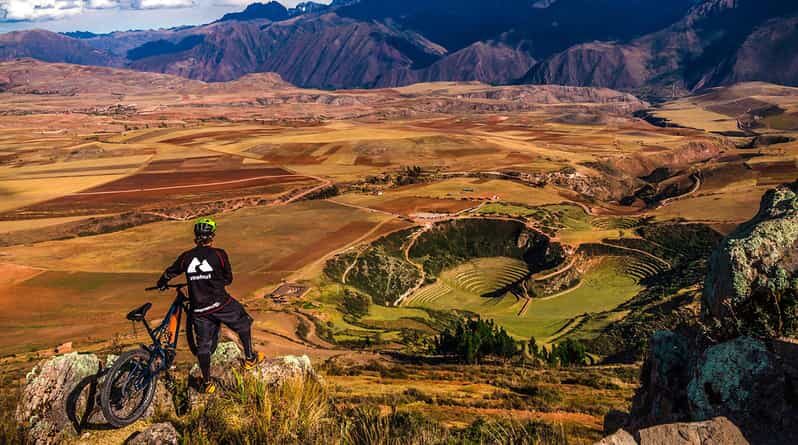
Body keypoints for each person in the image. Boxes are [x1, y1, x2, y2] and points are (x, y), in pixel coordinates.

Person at [156, 217, 264, 394]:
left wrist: (162, 282)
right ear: (212, 236)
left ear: (195, 237)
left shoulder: (186, 257)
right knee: (243, 322)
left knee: (203, 347)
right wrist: (214, 281)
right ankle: (250, 358)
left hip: (199, 310)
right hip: (221, 303)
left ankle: (207, 383)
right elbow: (228, 279)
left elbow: (170, 273)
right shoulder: (219, 254)